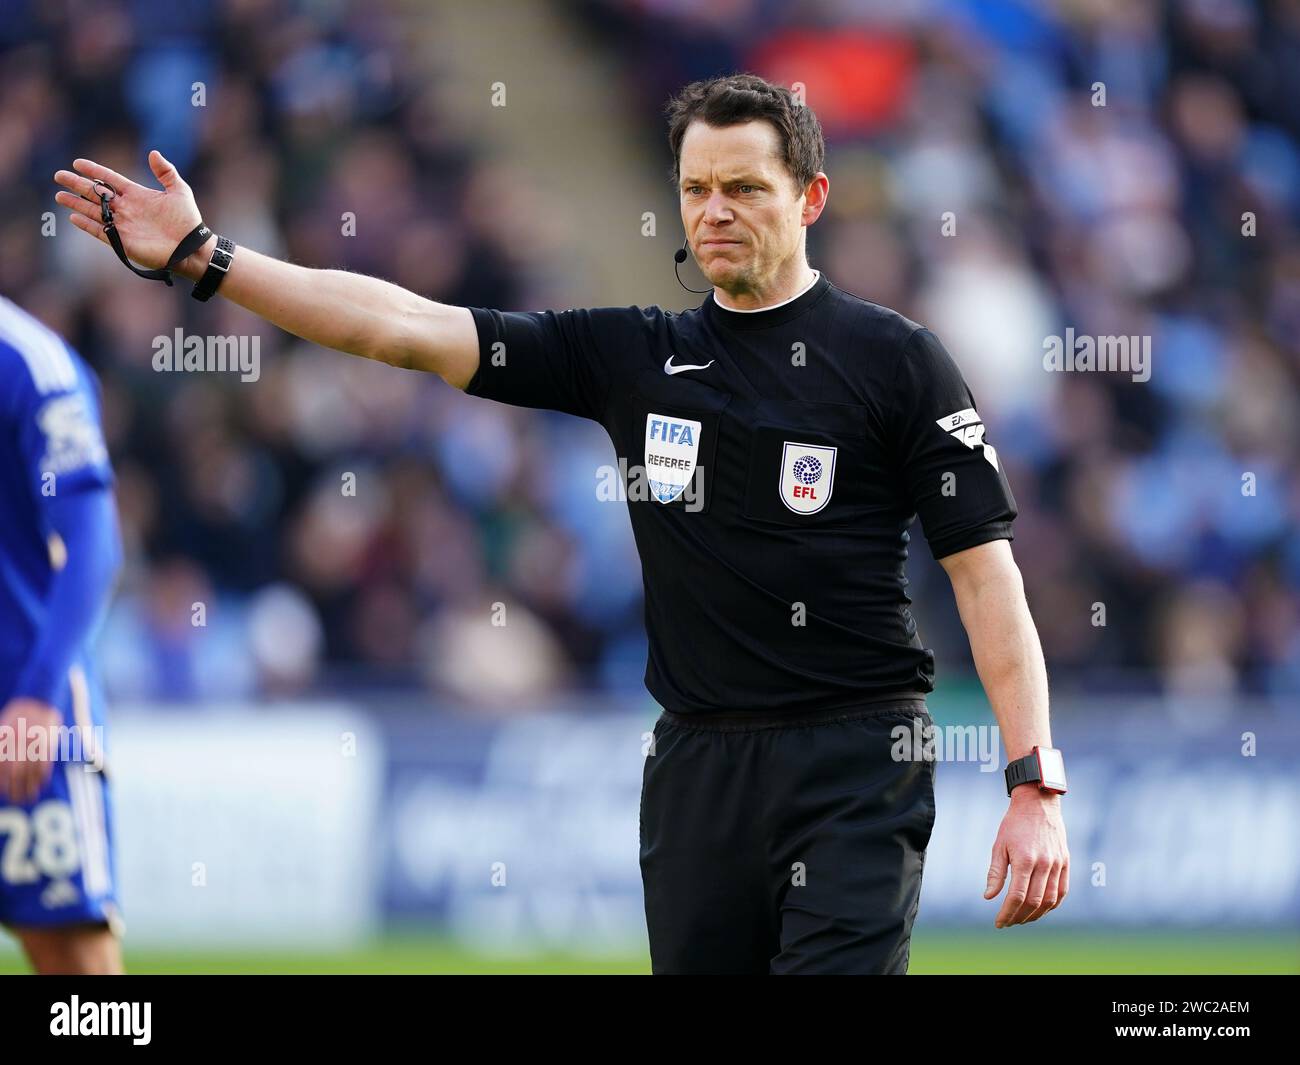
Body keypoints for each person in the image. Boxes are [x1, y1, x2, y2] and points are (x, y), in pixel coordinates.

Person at [54, 72, 1068, 975]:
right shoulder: (633, 357)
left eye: (745, 188)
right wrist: (208, 257)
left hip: (856, 761)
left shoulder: (895, 361)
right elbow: (401, 326)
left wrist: (1032, 782)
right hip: (695, 770)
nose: (714, 211)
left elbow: (986, 578)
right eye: (696, 188)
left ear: (809, 199)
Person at [0, 294, 125, 974]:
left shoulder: (29, 363)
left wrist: (37, 694)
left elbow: (94, 544)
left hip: (18, 707)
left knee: (79, 981)